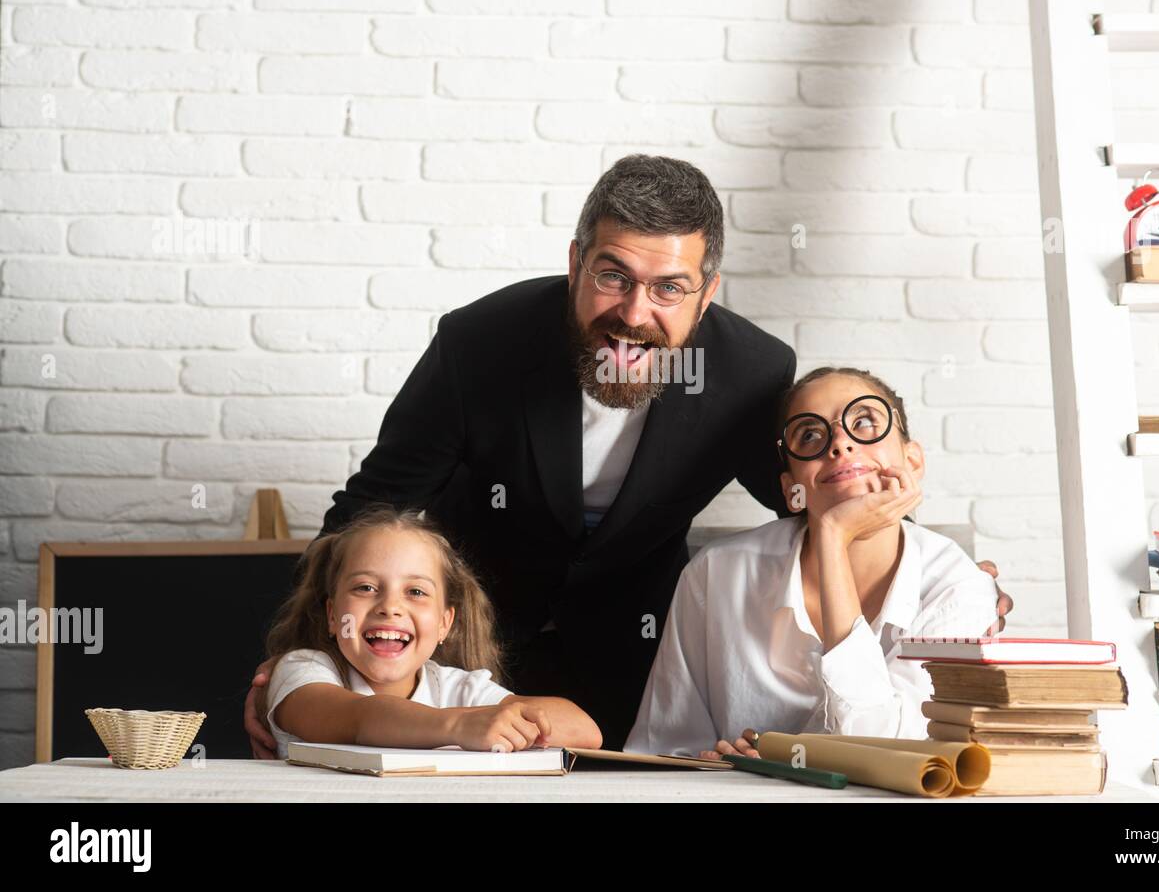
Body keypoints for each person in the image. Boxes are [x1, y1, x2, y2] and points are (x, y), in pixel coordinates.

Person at [245, 154, 1013, 756]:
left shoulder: (748, 374)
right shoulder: (479, 345)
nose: (634, 314)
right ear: (576, 261)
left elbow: (817, 498)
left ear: (707, 294)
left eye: (669, 289)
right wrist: (296, 652)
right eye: (614, 275)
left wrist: (942, 573)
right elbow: (371, 506)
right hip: (461, 662)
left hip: (635, 664)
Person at [624, 366, 999, 760]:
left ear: (913, 461)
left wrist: (834, 537)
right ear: (791, 490)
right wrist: (720, 770)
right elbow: (664, 747)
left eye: (865, 422)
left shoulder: (960, 588)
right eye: (810, 435)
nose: (839, 444)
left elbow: (893, 752)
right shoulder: (715, 574)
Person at [263, 503, 601, 757]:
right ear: (333, 615)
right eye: (365, 588)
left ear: (444, 624)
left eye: (416, 592)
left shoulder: (458, 690)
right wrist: (458, 726)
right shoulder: (303, 671)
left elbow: (584, 731)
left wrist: (505, 722)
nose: (390, 606)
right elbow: (359, 718)